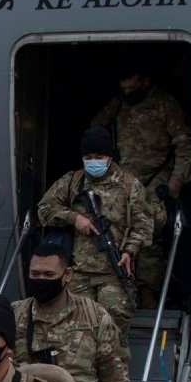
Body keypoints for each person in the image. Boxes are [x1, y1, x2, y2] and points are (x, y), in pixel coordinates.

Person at [12, 242, 134, 382]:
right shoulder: (16, 315)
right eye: (35, 273)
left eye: (48, 274)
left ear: (67, 275)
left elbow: (116, 379)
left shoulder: (95, 318)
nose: (40, 280)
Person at [36, 128, 153, 336]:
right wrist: (74, 218)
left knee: (112, 337)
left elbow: (143, 224)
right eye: (89, 157)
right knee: (76, 339)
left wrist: (129, 251)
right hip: (78, 273)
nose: (94, 162)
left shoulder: (129, 185)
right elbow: (44, 209)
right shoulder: (73, 181)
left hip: (113, 274)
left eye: (99, 157)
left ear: (109, 156)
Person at [92, 66, 191, 304]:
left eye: (132, 87)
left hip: (155, 181)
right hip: (124, 181)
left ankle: (148, 298)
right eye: (123, 88)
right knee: (115, 234)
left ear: (145, 81)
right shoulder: (119, 103)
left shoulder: (165, 105)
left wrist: (174, 185)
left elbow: (184, 145)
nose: (127, 92)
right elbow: (96, 127)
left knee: (147, 239)